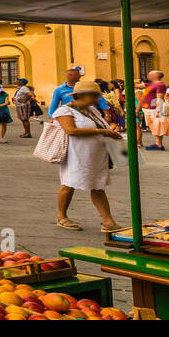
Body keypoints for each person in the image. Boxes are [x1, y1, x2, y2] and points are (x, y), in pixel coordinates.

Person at [52, 80, 122, 234]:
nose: (97, 99)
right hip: (76, 154)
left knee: (98, 185)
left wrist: (110, 133)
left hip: (95, 155)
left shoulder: (91, 110)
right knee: (68, 184)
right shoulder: (65, 111)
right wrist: (102, 132)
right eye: (94, 96)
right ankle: (61, 216)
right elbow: (71, 131)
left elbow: (100, 126)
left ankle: (108, 221)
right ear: (81, 96)